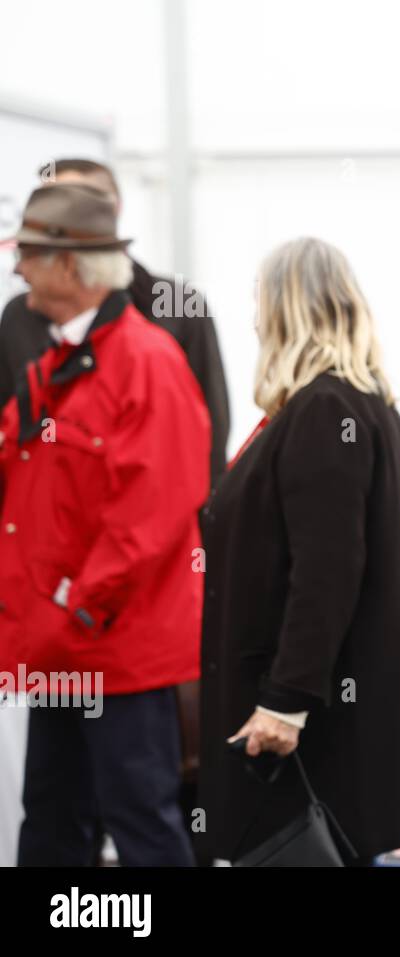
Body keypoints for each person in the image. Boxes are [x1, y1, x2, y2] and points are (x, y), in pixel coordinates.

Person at [196, 237, 400, 864]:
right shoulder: (361, 405)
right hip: (336, 713)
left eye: (259, 300)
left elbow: (328, 570)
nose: (253, 318)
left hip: (312, 725)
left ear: (286, 307)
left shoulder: (324, 410)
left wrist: (286, 701)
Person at [0, 183, 210, 865]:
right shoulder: (56, 367)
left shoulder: (147, 364)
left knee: (141, 823)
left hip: (118, 654)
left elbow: (150, 517)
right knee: (53, 821)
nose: (17, 268)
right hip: (66, 649)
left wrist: (76, 607)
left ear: (69, 267)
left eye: (28, 255)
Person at [0, 158, 230, 487]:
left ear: (111, 209)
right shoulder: (20, 316)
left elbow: (211, 432)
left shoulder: (176, 308)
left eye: (67, 201)